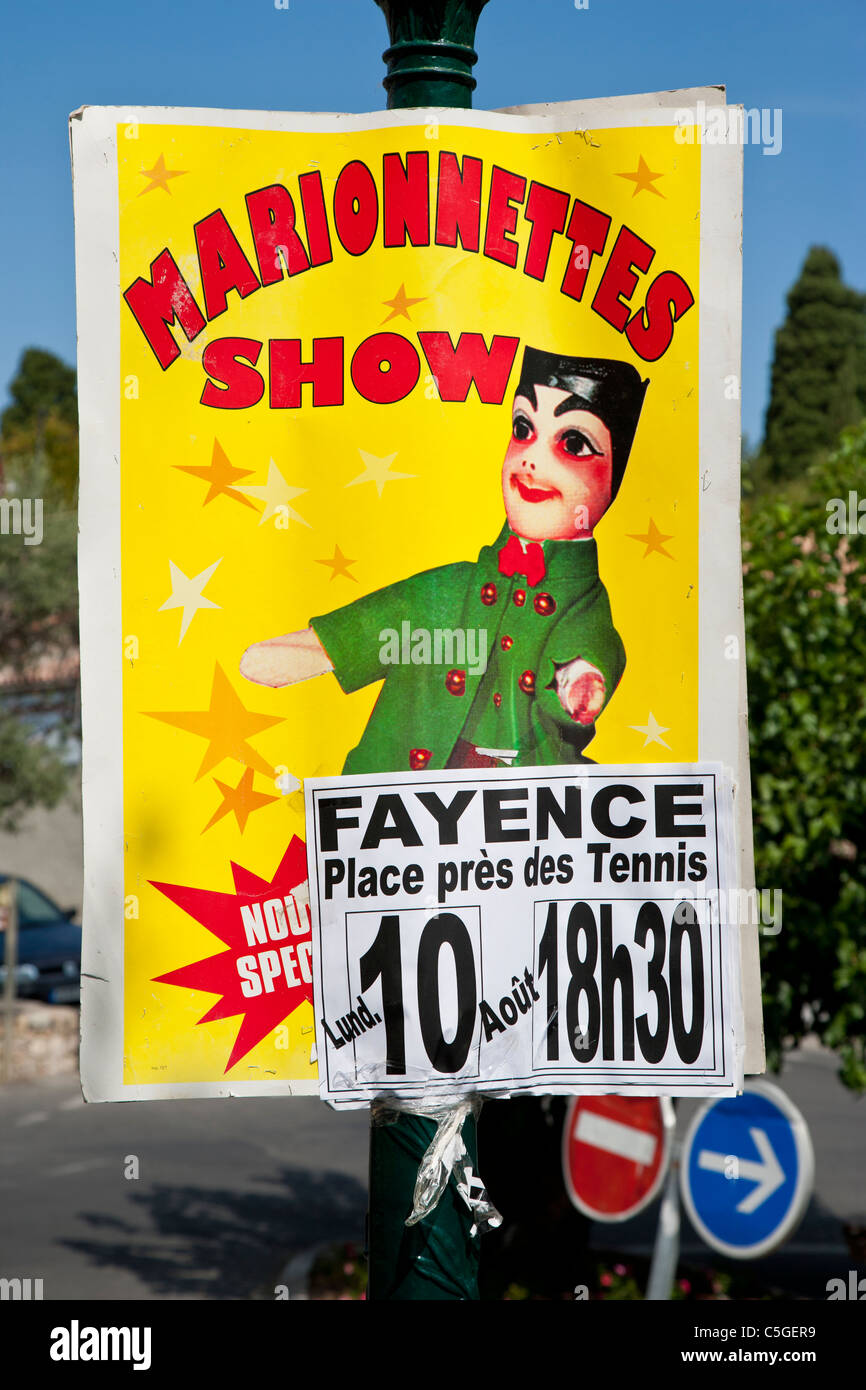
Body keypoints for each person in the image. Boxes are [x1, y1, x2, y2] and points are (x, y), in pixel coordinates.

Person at [240, 345, 649, 773]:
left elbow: (590, 650)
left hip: (519, 806)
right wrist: (323, 648)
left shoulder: (581, 605)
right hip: (401, 791)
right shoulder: (450, 590)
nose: (531, 459)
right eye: (523, 428)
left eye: (572, 442)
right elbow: (385, 621)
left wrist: (579, 681)